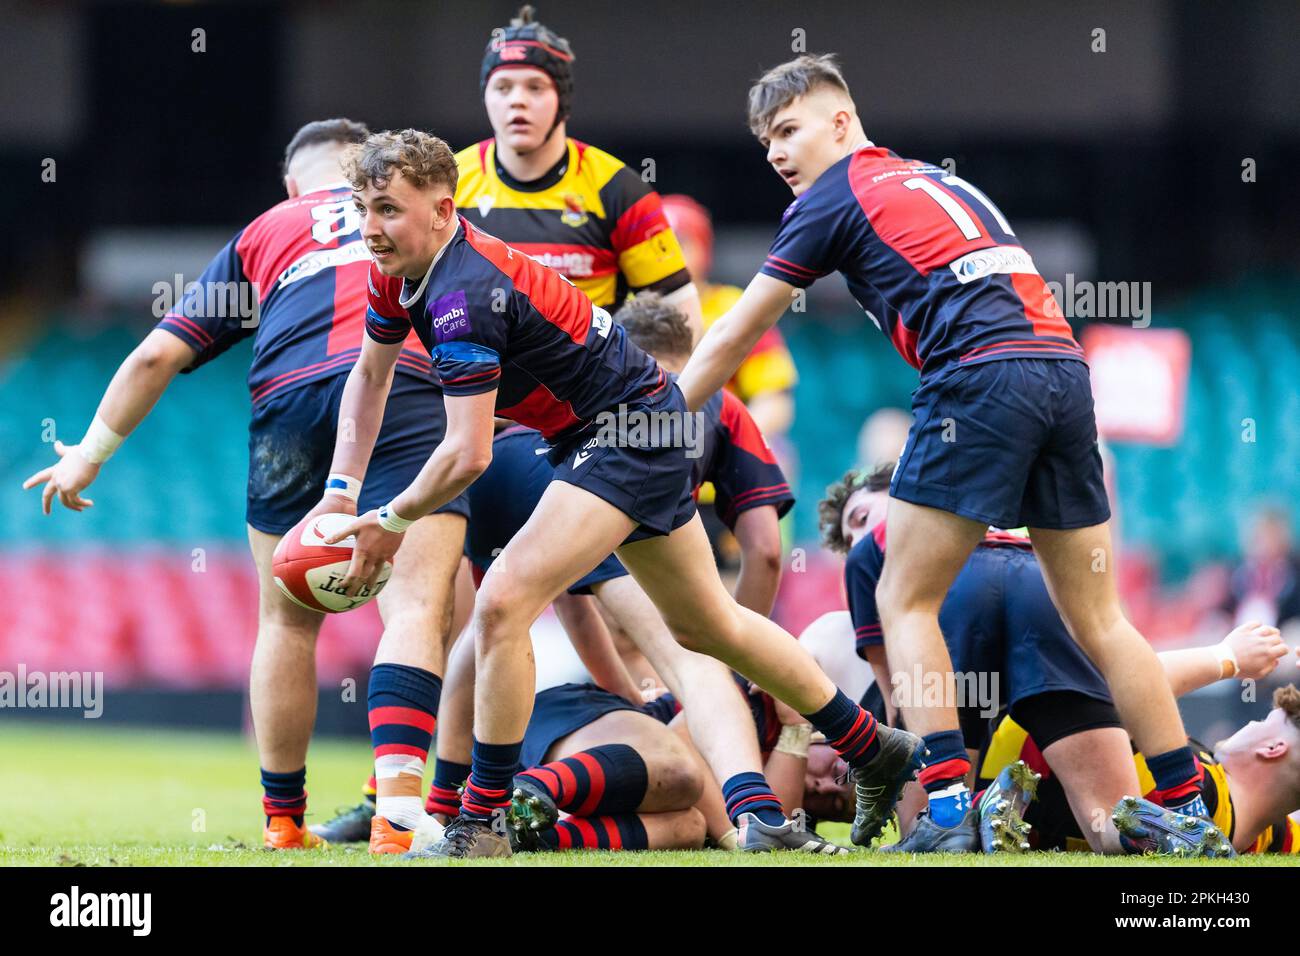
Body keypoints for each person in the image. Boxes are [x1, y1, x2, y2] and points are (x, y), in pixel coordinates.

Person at [313, 127, 922, 859]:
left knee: (503, 601)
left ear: (443, 210)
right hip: (627, 428)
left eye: (388, 209)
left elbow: (468, 453)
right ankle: (873, 745)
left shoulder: (463, 296)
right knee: (706, 629)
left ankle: (482, 821)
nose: (371, 228)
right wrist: (339, 492)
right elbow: (371, 377)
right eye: (363, 208)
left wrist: (388, 518)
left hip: (627, 433)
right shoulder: (397, 270)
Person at [675, 52, 1217, 846]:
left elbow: (738, 329)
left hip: (981, 377)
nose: (778, 155)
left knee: (903, 598)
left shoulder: (834, 193)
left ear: (840, 121)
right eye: (766, 144)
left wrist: (655, 421)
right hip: (1062, 370)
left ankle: (947, 811)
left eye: (788, 131)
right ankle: (1188, 804)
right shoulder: (938, 180)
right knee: (1098, 615)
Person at [21, 120, 469, 852]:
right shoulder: (419, 210)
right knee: (417, 607)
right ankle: (396, 814)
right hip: (408, 392)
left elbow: (154, 357)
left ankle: (284, 823)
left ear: (295, 185)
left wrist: (88, 455)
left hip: (289, 406)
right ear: (365, 176)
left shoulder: (270, 228)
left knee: (285, 622)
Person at [455, 6, 702, 340]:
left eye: (535, 87)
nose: (517, 101)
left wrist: (658, 391)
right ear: (485, 96)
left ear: (563, 99)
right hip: (474, 387)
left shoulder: (619, 190)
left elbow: (680, 316)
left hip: (589, 390)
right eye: (502, 87)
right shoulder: (449, 184)